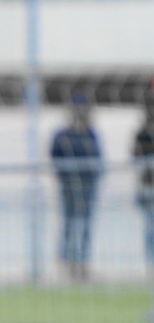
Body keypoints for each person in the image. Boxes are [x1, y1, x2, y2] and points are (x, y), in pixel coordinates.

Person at [50, 94, 103, 281]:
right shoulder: (62, 136)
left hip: (87, 190)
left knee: (85, 226)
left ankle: (82, 264)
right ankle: (68, 265)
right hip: (69, 190)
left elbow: (97, 161)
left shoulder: (91, 135)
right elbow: (55, 160)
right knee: (69, 225)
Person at [132, 87, 154, 271]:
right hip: (148, 186)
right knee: (150, 228)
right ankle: (150, 265)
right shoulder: (141, 133)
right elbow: (135, 156)